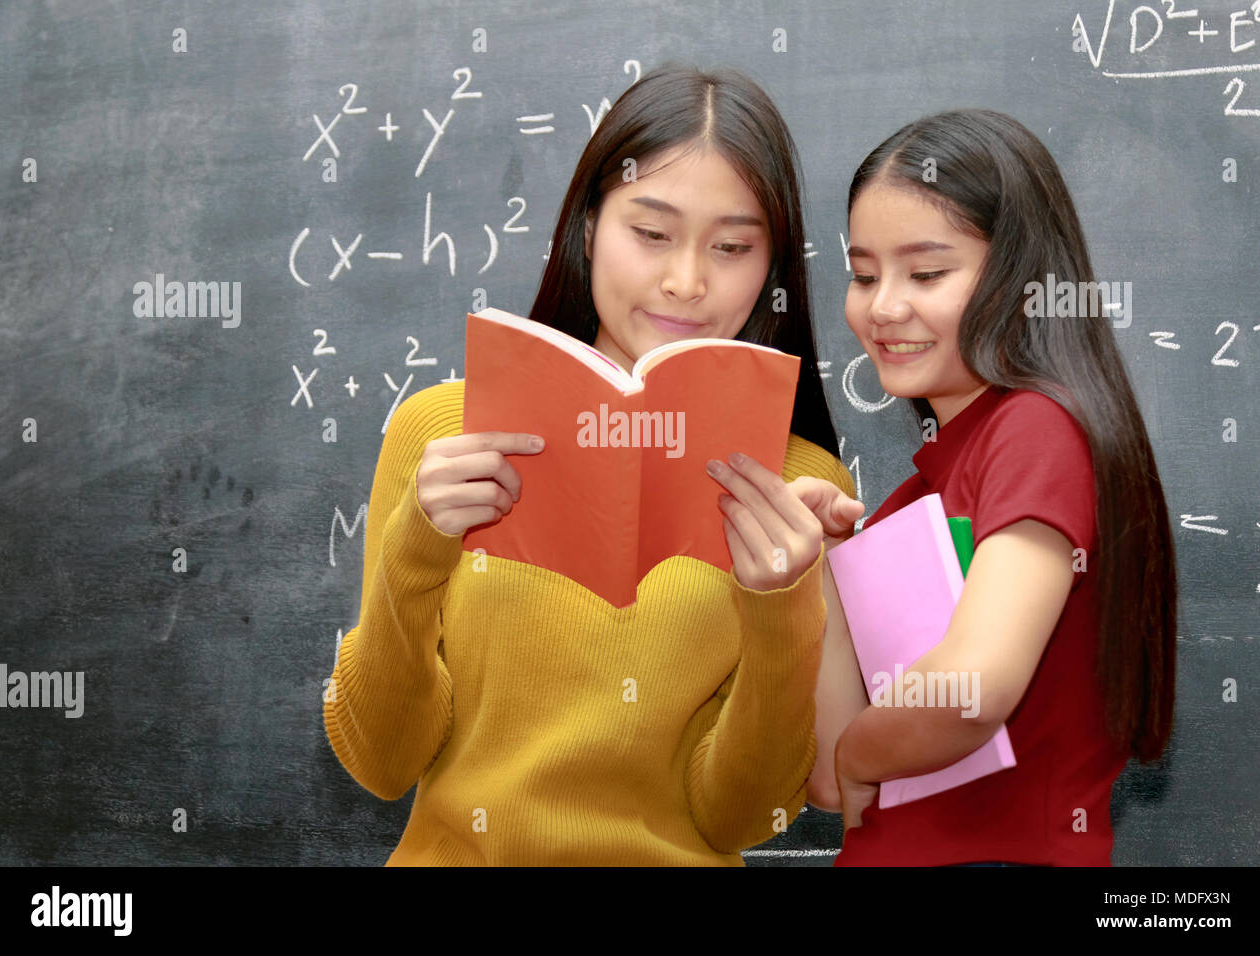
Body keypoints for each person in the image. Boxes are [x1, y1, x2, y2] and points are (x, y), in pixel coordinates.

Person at [323, 65, 864, 865]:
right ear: (586, 228)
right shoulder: (443, 432)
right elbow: (380, 760)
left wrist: (782, 608)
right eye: (650, 233)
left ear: (773, 268)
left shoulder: (799, 488)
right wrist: (417, 548)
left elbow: (744, 816)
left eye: (733, 247)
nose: (687, 281)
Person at [809, 109, 1178, 866]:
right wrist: (825, 566)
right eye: (864, 273)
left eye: (927, 273)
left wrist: (856, 756)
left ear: (1021, 280)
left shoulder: (1033, 429)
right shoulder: (912, 498)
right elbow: (824, 782)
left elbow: (969, 689)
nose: (882, 307)